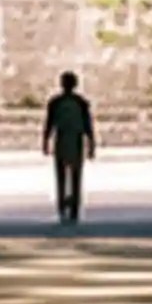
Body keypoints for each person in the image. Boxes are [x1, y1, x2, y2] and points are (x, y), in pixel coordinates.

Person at [42, 71, 96, 223]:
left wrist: (45, 141)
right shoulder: (80, 102)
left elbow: (49, 124)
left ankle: (64, 206)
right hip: (74, 140)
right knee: (74, 175)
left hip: (63, 139)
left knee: (62, 175)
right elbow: (88, 126)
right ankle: (73, 207)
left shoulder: (57, 102)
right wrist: (91, 144)